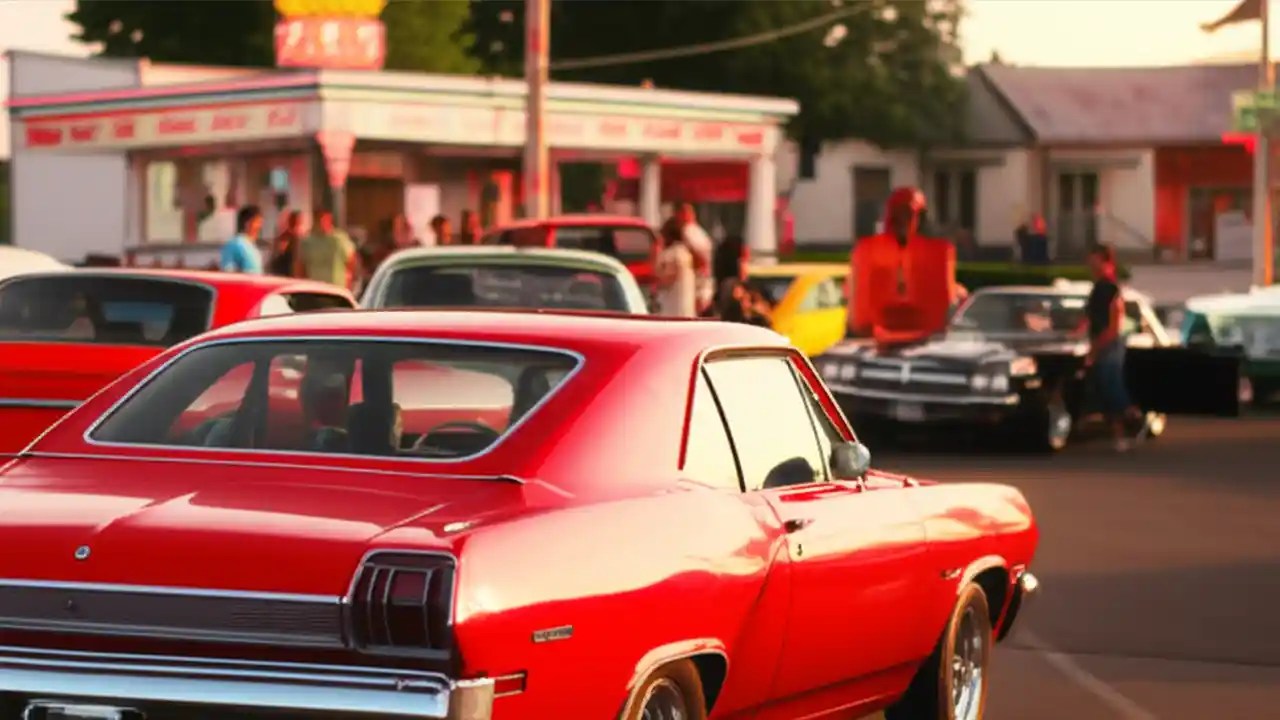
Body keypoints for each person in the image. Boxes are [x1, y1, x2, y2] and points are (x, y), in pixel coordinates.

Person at [848, 187, 957, 345]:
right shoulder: (868, 250)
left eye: (909, 214)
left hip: (922, 336)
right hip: (884, 336)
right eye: (899, 215)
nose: (904, 221)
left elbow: (944, 300)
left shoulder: (940, 252)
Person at [1082, 243, 1147, 451]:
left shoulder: (1110, 288)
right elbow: (1089, 318)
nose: (1090, 263)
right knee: (1106, 390)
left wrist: (1097, 347)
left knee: (1113, 388)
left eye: (1094, 259)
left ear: (1104, 261)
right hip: (1102, 342)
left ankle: (1136, 420)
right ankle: (1119, 434)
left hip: (1109, 345)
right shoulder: (1098, 287)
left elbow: (1113, 323)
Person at [294, 207, 359, 290]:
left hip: (337, 289)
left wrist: (348, 282)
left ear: (330, 219)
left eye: (325, 219)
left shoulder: (339, 240)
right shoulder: (307, 242)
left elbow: (352, 261)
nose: (322, 223)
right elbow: (300, 267)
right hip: (314, 289)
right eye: (319, 219)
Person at [675, 202, 714, 313]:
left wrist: (698, 267)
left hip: (698, 275)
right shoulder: (699, 231)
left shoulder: (688, 231)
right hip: (704, 275)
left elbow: (698, 255)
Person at [653, 217, 697, 318]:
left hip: (672, 312)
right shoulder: (685, 253)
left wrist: (656, 257)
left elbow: (665, 280)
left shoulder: (671, 255)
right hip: (686, 312)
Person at [220, 206, 265, 274]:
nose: (260, 226)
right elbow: (228, 272)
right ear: (247, 223)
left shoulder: (252, 247)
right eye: (257, 222)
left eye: (261, 223)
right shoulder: (235, 244)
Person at [269, 210, 303, 277]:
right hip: (285, 272)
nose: (298, 223)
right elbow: (278, 254)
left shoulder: (298, 237)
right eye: (297, 220)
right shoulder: (285, 237)